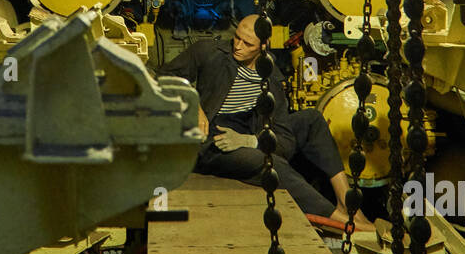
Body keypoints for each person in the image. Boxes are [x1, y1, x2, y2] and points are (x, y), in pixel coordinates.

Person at [159, 15, 373, 228]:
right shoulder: (209, 52)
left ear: (263, 46)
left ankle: (348, 204)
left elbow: (285, 142)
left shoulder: (271, 78)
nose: (238, 46)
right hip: (209, 141)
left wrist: (249, 141)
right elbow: (160, 76)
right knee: (270, 163)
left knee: (312, 119)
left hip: (249, 133)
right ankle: (340, 220)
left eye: (247, 43)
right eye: (237, 38)